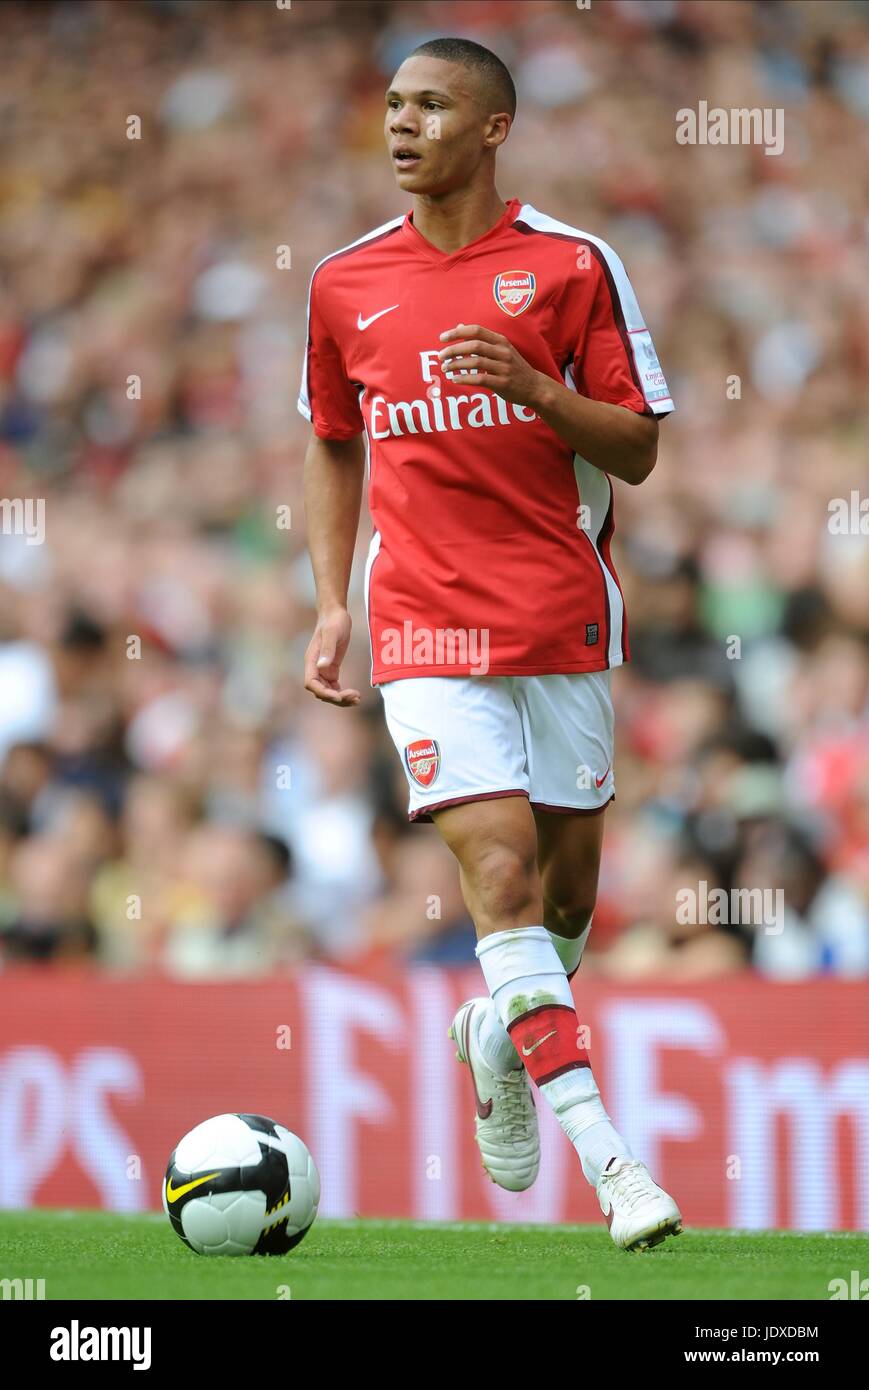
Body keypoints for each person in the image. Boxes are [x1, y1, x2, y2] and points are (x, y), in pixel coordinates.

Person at [300, 36, 681, 1251]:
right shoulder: (343, 282)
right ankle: (616, 1168)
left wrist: (537, 392)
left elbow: (633, 447)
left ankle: (495, 1028)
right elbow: (329, 437)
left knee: (566, 896)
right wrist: (330, 599)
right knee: (500, 880)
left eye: (430, 105)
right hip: (419, 623)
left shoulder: (572, 265)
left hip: (558, 612)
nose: (400, 124)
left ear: (493, 126)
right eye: (393, 104)